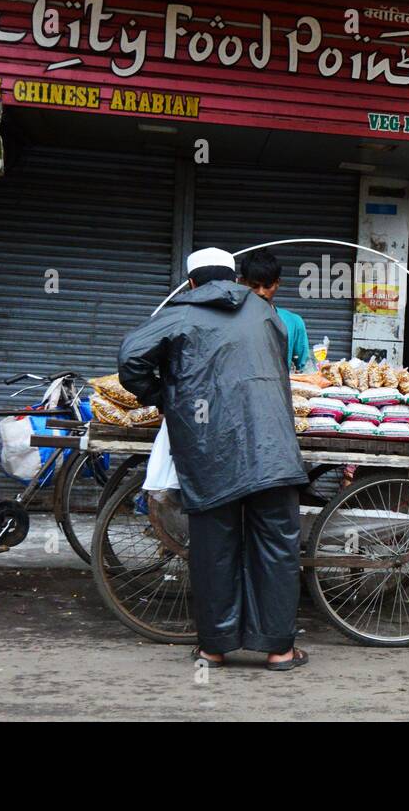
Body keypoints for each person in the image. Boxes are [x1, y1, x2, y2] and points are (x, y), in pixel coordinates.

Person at [118, 247, 311, 671]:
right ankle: (278, 650)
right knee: (278, 548)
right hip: (272, 449)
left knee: (214, 548)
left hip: (211, 452)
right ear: (234, 278)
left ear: (191, 283)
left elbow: (131, 357)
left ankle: (214, 648)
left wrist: (163, 395)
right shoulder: (266, 315)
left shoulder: (180, 314)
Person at [240, 248, 311, 372]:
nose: (261, 292)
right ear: (242, 282)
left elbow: (305, 369)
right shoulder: (231, 320)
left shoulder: (293, 322)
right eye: (254, 286)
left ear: (277, 283)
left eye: (267, 286)